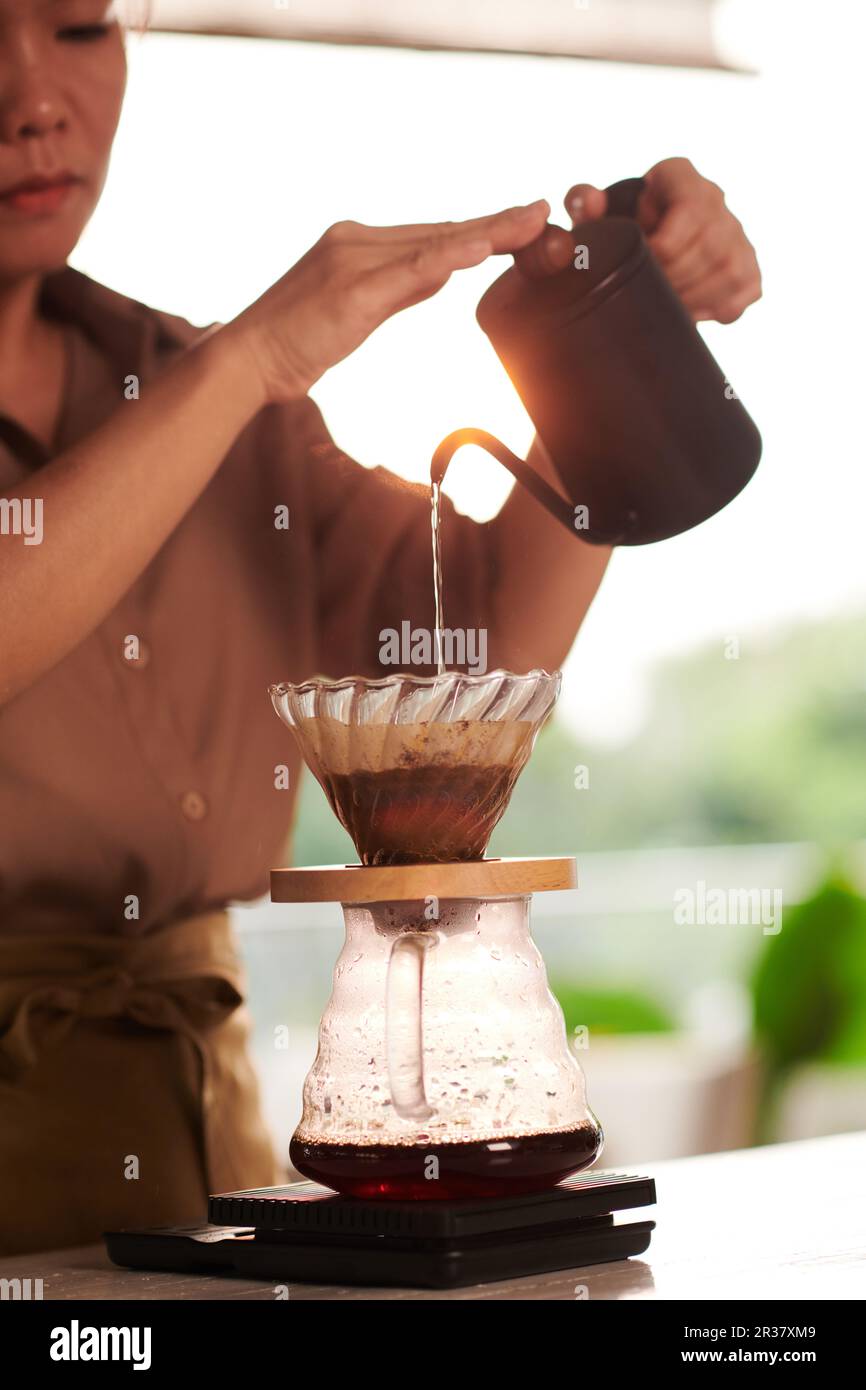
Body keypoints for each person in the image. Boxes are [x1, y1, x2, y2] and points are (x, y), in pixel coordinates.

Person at [0, 1, 762, 1254]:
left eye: (81, 21)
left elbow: (475, 657)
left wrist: (621, 348)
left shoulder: (182, 382)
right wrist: (252, 356)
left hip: (209, 1176)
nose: (33, 96)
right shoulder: (217, 383)